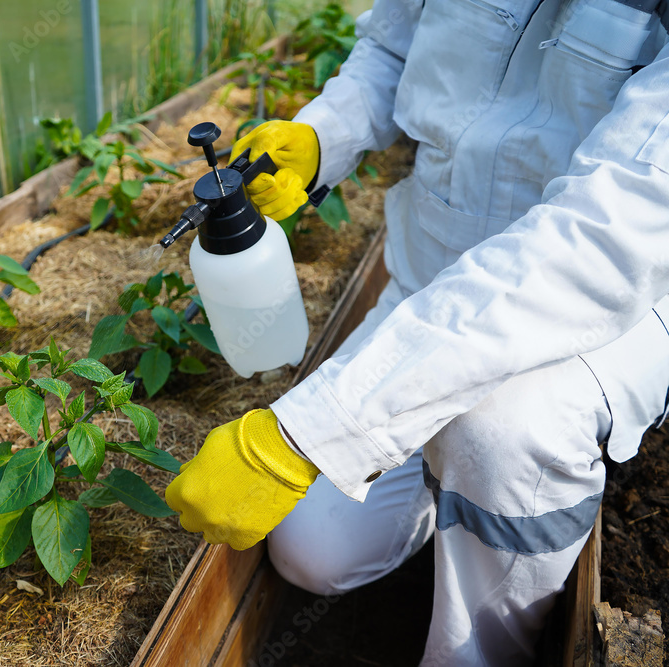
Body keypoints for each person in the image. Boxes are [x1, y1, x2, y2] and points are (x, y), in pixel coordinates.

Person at [165, 0, 669, 662]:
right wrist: (324, 136)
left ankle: (477, 647)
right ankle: (443, 480)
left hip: (589, 319)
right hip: (428, 277)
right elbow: (396, 47)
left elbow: (600, 235)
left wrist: (311, 431)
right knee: (312, 551)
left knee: (500, 431)